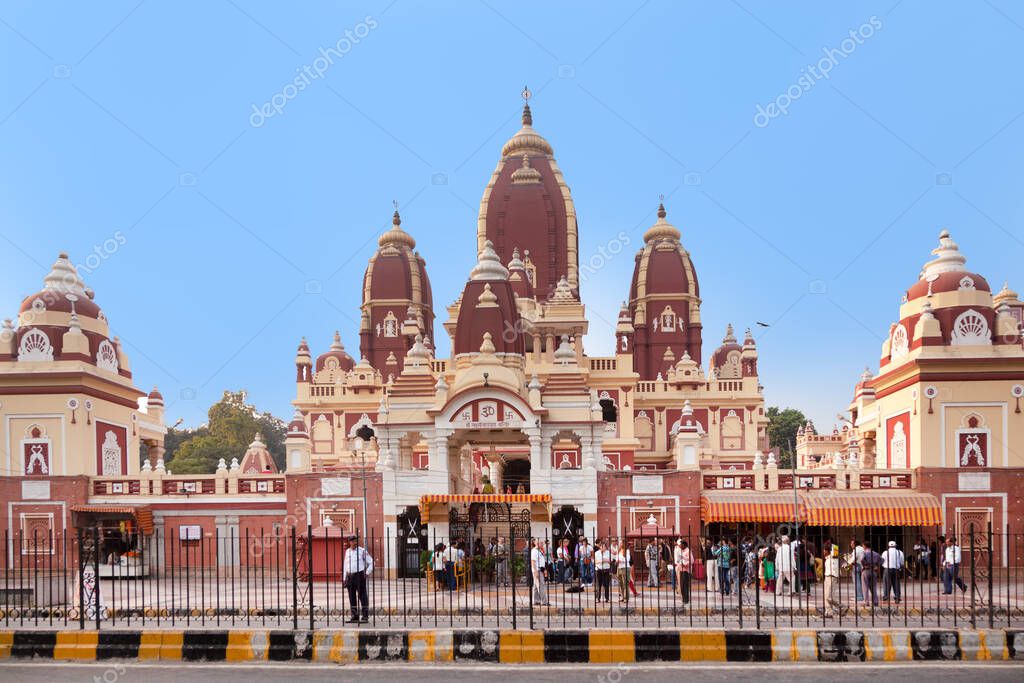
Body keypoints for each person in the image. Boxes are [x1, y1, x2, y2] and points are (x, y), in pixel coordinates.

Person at [342, 534, 373, 623]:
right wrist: (344, 578)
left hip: (359, 575)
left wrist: (367, 573)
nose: (354, 542)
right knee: (352, 597)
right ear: (349, 542)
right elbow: (345, 565)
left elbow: (371, 562)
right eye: (352, 541)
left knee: (362, 596)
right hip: (349, 576)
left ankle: (365, 616)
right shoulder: (347, 551)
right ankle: (354, 616)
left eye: (355, 541)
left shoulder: (362, 551)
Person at [861, 541, 881, 607]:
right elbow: (881, 561)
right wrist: (876, 567)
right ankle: (875, 602)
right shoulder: (876, 553)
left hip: (866, 570)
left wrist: (865, 565)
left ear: (864, 546)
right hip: (873, 571)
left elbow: (861, 560)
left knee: (865, 587)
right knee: (873, 587)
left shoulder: (863, 553)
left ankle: (866, 602)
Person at [823, 543, 842, 617]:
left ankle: (840, 606)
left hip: (832, 577)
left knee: (828, 597)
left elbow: (835, 548)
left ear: (829, 550)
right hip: (827, 576)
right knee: (826, 596)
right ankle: (828, 613)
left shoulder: (834, 557)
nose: (823, 551)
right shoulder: (827, 558)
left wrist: (831, 544)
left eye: (825, 550)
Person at [530, 538, 549, 605]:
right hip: (537, 570)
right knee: (541, 585)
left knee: (535, 586)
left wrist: (544, 569)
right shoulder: (534, 551)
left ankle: (536, 601)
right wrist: (535, 571)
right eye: (541, 543)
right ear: (537, 543)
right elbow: (533, 561)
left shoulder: (540, 550)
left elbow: (541, 561)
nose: (543, 544)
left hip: (541, 569)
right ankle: (544, 601)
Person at [674, 539, 692, 604]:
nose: (680, 546)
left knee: (685, 585)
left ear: (684, 545)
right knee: (682, 585)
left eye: (681, 545)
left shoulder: (688, 551)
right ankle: (684, 598)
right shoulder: (683, 551)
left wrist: (685, 564)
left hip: (686, 570)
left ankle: (686, 599)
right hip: (681, 569)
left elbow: (691, 560)